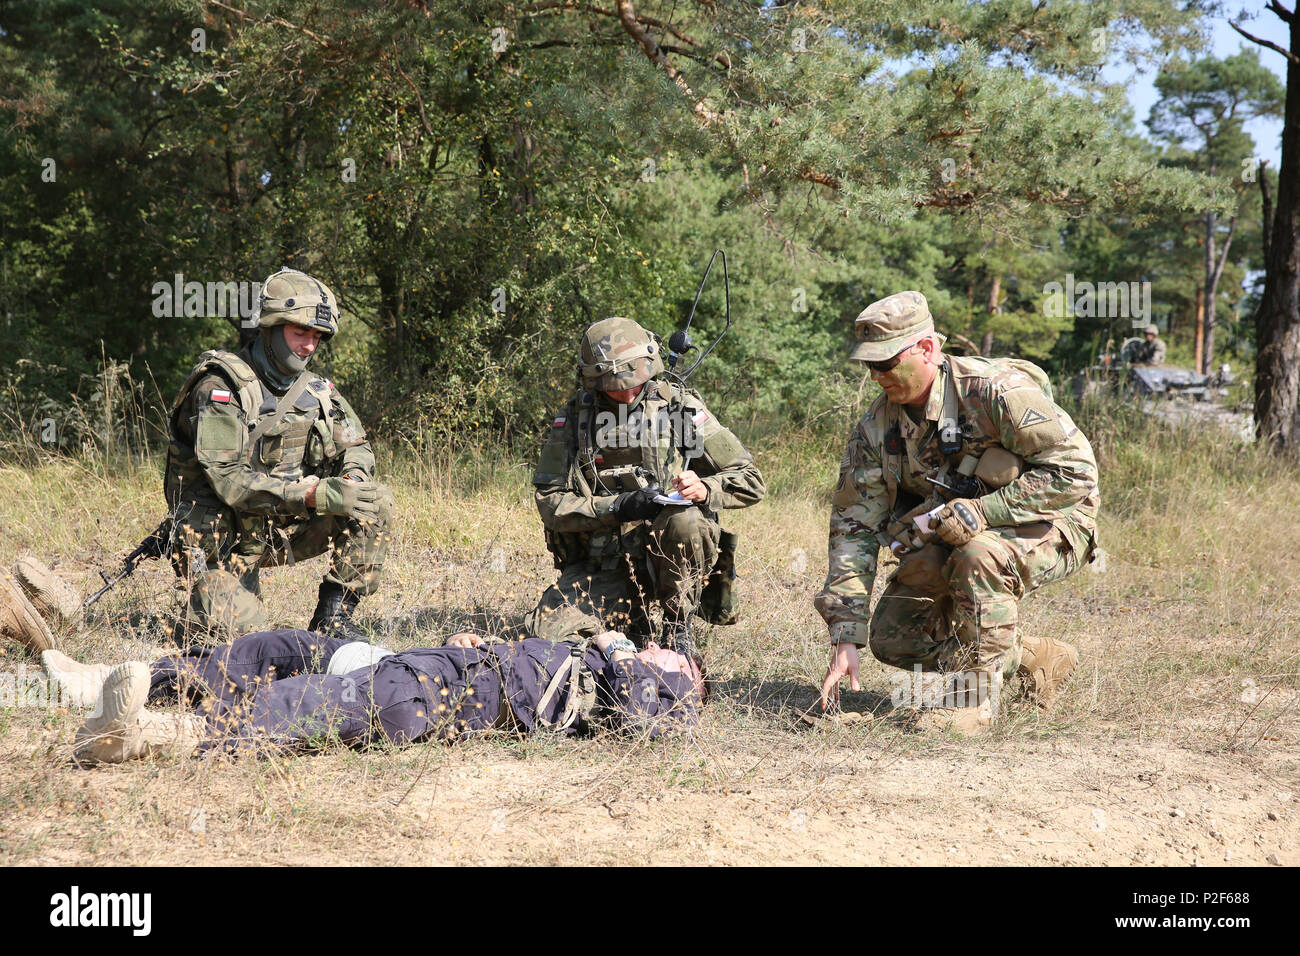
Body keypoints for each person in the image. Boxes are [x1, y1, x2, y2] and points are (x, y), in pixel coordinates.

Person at [814, 291, 1100, 734]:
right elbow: (855, 525)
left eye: (887, 363)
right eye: (870, 365)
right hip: (954, 532)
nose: (877, 377)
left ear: (927, 349)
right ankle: (1032, 657)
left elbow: (1075, 472)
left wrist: (985, 511)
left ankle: (974, 703)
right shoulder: (877, 427)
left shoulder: (996, 391)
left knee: (978, 556)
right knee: (894, 635)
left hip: (1054, 521)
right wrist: (846, 631)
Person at [38, 628, 703, 764]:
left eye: (671, 656)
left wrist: (623, 651)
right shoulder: (589, 657)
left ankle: (145, 735)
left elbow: (646, 715)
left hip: (432, 693)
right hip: (428, 662)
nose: (658, 648)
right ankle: (113, 681)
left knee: (311, 699)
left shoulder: (669, 692)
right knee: (282, 648)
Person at [163, 269, 393, 644]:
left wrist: (349, 480)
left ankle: (334, 617)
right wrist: (311, 495)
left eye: (317, 337)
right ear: (270, 327)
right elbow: (228, 479)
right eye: (300, 332)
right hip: (222, 541)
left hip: (277, 531)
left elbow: (357, 448)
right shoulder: (220, 388)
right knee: (247, 645)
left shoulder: (316, 391)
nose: (309, 346)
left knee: (373, 501)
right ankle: (199, 608)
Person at [526, 316, 765, 658]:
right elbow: (550, 504)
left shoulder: (677, 407)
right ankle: (632, 619)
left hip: (666, 560)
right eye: (613, 385)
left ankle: (677, 625)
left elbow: (750, 479)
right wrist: (617, 507)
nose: (626, 392)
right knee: (544, 636)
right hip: (604, 564)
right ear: (593, 381)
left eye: (634, 382)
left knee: (687, 521)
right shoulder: (577, 418)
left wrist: (705, 488)